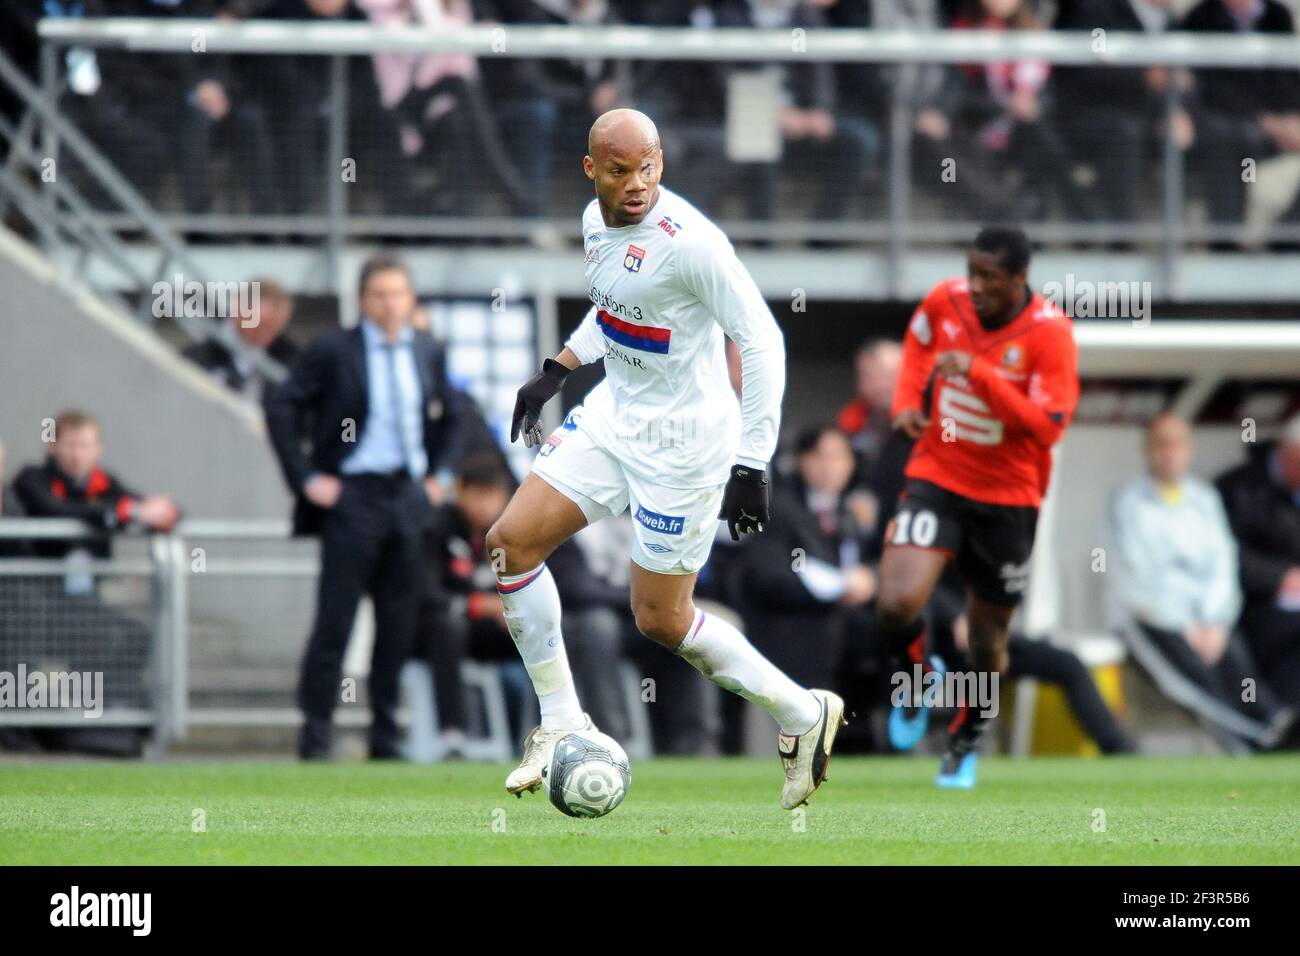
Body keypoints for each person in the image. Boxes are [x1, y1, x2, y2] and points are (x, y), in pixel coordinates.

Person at [490, 109, 844, 810]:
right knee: (510, 544)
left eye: (648, 167)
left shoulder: (693, 245)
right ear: (591, 170)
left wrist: (753, 461)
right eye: (621, 171)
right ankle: (561, 721)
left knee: (659, 618)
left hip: (686, 446)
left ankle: (804, 714)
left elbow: (763, 339)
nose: (637, 184)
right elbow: (615, 302)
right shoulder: (597, 224)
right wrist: (559, 367)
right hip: (615, 416)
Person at [875, 225, 1079, 788]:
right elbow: (918, 344)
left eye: (991, 276)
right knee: (894, 601)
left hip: (1008, 498)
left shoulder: (1050, 335)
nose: (977, 285)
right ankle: (918, 681)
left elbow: (1046, 429)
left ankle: (968, 733)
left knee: (987, 638)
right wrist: (905, 404)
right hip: (938, 474)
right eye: (973, 271)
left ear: (1020, 279)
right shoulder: (946, 301)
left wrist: (981, 374)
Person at [263, 253, 463, 760]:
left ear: (411, 298)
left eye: (399, 292)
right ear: (362, 300)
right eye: (380, 293)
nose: (390, 303)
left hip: (408, 499)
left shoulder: (426, 349)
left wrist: (439, 478)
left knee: (399, 622)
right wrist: (307, 479)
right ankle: (315, 734)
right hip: (353, 498)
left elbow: (458, 414)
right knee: (336, 619)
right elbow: (281, 405)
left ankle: (385, 734)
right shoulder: (334, 349)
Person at [1108, 412, 1294, 748]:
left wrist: (1214, 621)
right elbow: (1135, 579)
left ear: (1189, 449)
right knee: (1195, 678)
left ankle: (1272, 723)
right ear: (1147, 450)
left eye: (1177, 444)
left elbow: (1223, 565)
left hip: (1209, 622)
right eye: (1161, 444)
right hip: (1155, 621)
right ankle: (1256, 739)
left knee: (1239, 668)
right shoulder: (1129, 503)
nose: (1170, 453)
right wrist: (1186, 625)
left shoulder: (1204, 499)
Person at [1217, 412, 1300, 709]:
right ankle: (1284, 725)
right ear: (1287, 452)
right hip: (1257, 605)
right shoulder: (1238, 489)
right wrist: (1280, 578)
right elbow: (1224, 556)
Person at [183, 279, 298, 399]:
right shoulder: (202, 352)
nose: (264, 336)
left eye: (273, 330)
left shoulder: (276, 371)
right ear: (239, 305)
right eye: (259, 326)